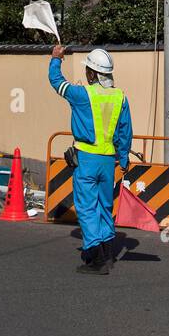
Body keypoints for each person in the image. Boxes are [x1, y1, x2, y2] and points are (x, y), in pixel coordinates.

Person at [49, 44, 132, 275]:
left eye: (88, 70)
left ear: (93, 73)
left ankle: (95, 256)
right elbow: (125, 131)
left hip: (86, 158)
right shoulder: (120, 97)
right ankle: (107, 255)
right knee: (105, 206)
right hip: (108, 160)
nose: (86, 73)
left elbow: (56, 81)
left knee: (86, 208)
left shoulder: (82, 94)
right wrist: (123, 158)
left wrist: (56, 58)